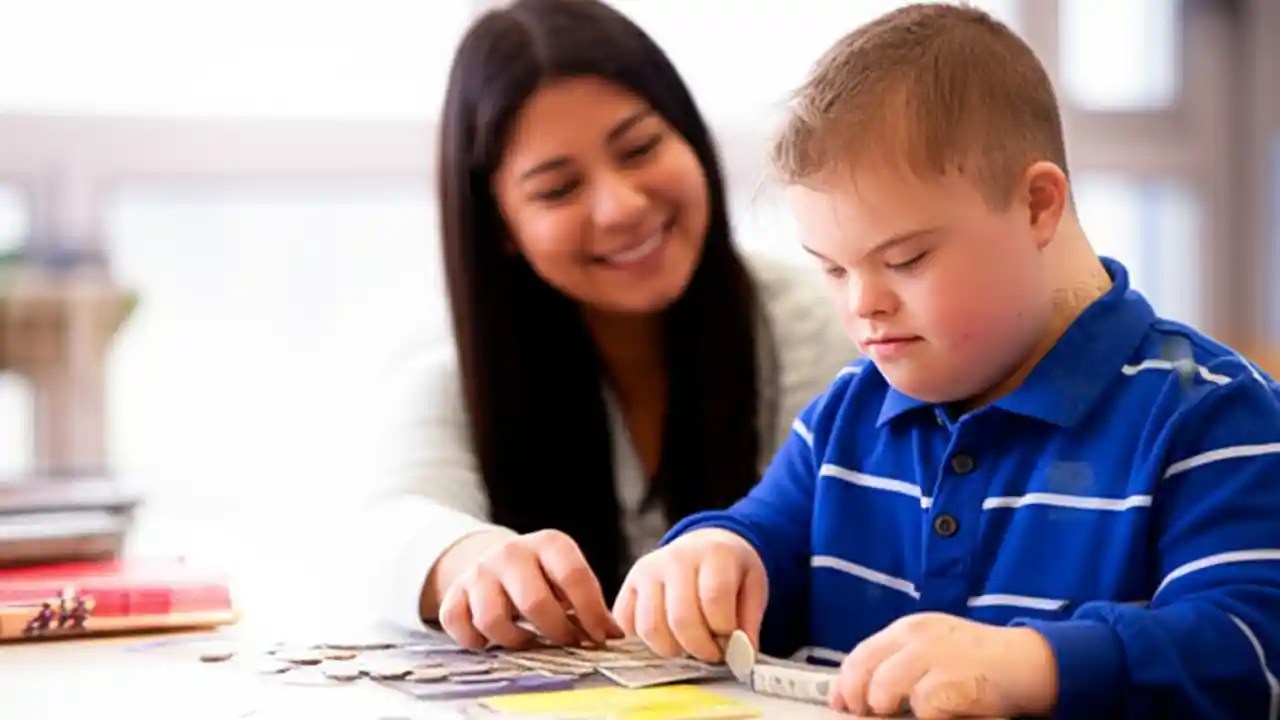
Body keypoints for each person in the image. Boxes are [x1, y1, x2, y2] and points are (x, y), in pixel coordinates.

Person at [615, 4, 1280, 719]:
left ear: (1036, 205)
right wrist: (709, 556)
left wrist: (1035, 663)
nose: (863, 304)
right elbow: (761, 539)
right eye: (834, 270)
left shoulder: (1214, 413)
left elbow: (1252, 648)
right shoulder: (848, 413)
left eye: (905, 259)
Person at [360, 0, 854, 651]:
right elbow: (388, 532)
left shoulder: (811, 319)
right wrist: (472, 559)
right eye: (558, 190)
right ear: (501, 227)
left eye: (642, 148)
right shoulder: (447, 365)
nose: (620, 207)